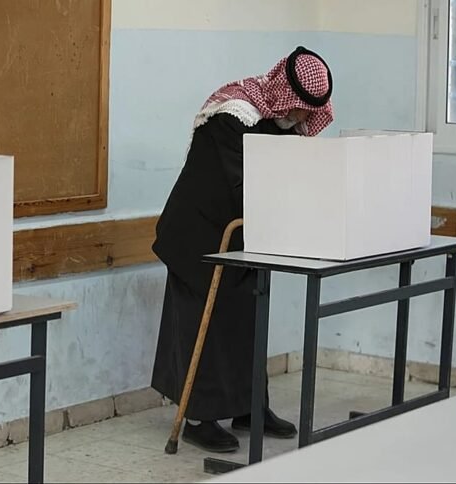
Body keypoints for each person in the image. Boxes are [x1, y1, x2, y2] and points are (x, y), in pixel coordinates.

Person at [150, 46, 334, 453]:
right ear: (285, 93)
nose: (301, 117)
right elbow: (240, 183)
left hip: (243, 238)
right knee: (204, 325)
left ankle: (250, 408)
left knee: (248, 321)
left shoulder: (282, 123)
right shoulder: (231, 117)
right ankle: (199, 417)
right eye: (299, 107)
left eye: (308, 111)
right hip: (199, 235)